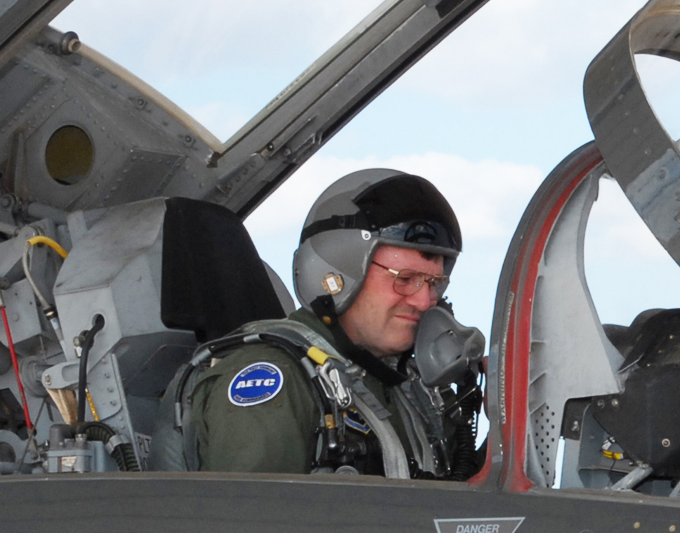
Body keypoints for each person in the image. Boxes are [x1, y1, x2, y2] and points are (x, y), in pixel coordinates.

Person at [176, 169, 476, 478]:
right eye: (406, 279)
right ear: (336, 276)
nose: (424, 301)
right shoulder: (277, 379)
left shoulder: (411, 385)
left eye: (434, 283)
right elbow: (252, 508)